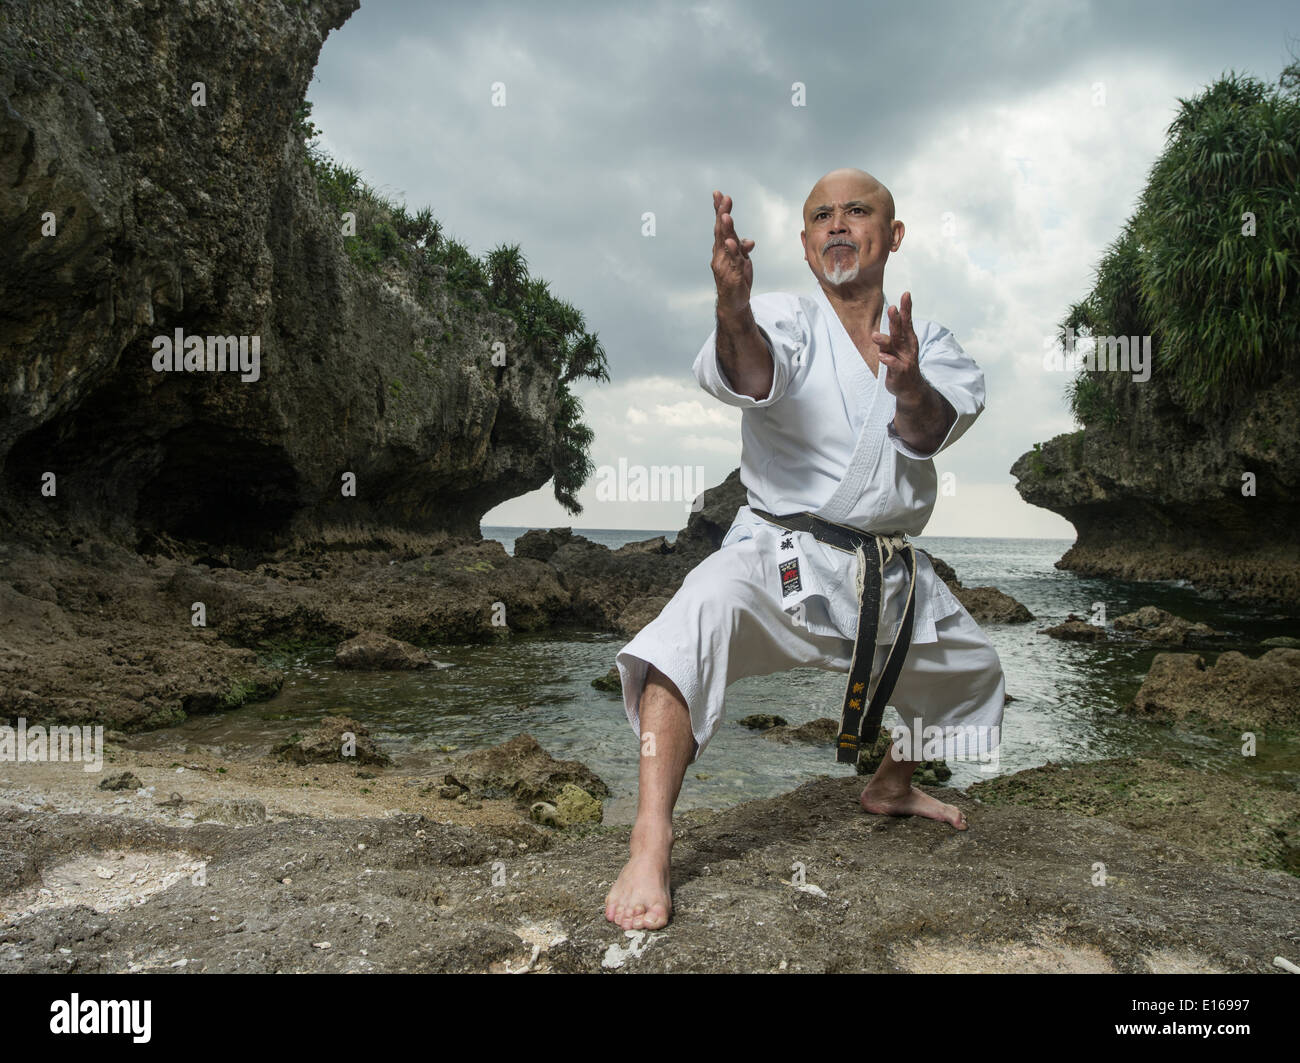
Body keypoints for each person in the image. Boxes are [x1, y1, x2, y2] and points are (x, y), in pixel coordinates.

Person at [603, 168, 1005, 932]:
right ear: (804, 240)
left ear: (892, 235)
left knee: (972, 669)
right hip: (776, 555)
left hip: (885, 571)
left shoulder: (934, 345)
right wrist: (732, 305)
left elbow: (925, 434)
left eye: (858, 210)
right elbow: (751, 370)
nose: (839, 224)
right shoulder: (782, 317)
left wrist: (909, 380)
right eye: (821, 215)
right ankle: (651, 833)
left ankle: (890, 784)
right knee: (687, 626)